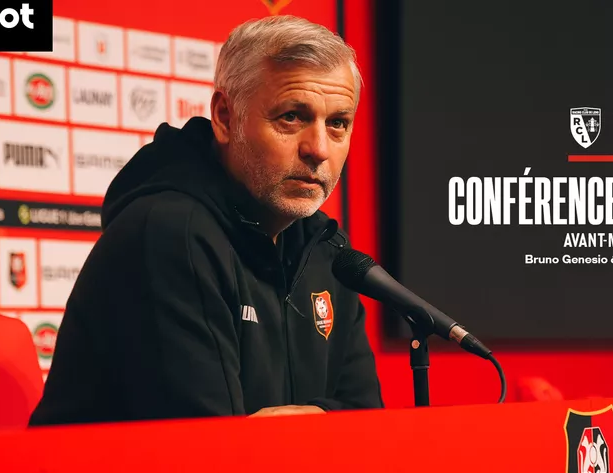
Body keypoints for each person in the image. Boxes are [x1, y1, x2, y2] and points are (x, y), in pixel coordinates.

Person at [28, 15, 383, 426]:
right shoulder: (168, 233)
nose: (319, 148)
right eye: (291, 117)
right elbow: (208, 450)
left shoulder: (327, 251)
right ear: (225, 118)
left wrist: (311, 423)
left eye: (338, 123)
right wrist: (321, 427)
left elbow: (367, 422)